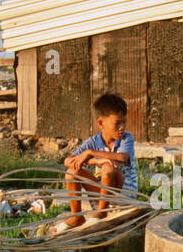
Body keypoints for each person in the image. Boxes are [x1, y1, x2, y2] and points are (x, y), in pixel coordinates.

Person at [56, 92, 137, 233]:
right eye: (117, 123)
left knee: (108, 168)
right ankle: (77, 217)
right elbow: (68, 161)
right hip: (102, 194)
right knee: (71, 172)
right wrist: (96, 160)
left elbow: (123, 158)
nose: (122, 127)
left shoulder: (126, 139)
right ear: (101, 123)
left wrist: (90, 153)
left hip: (123, 196)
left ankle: (101, 213)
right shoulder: (93, 141)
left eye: (124, 122)